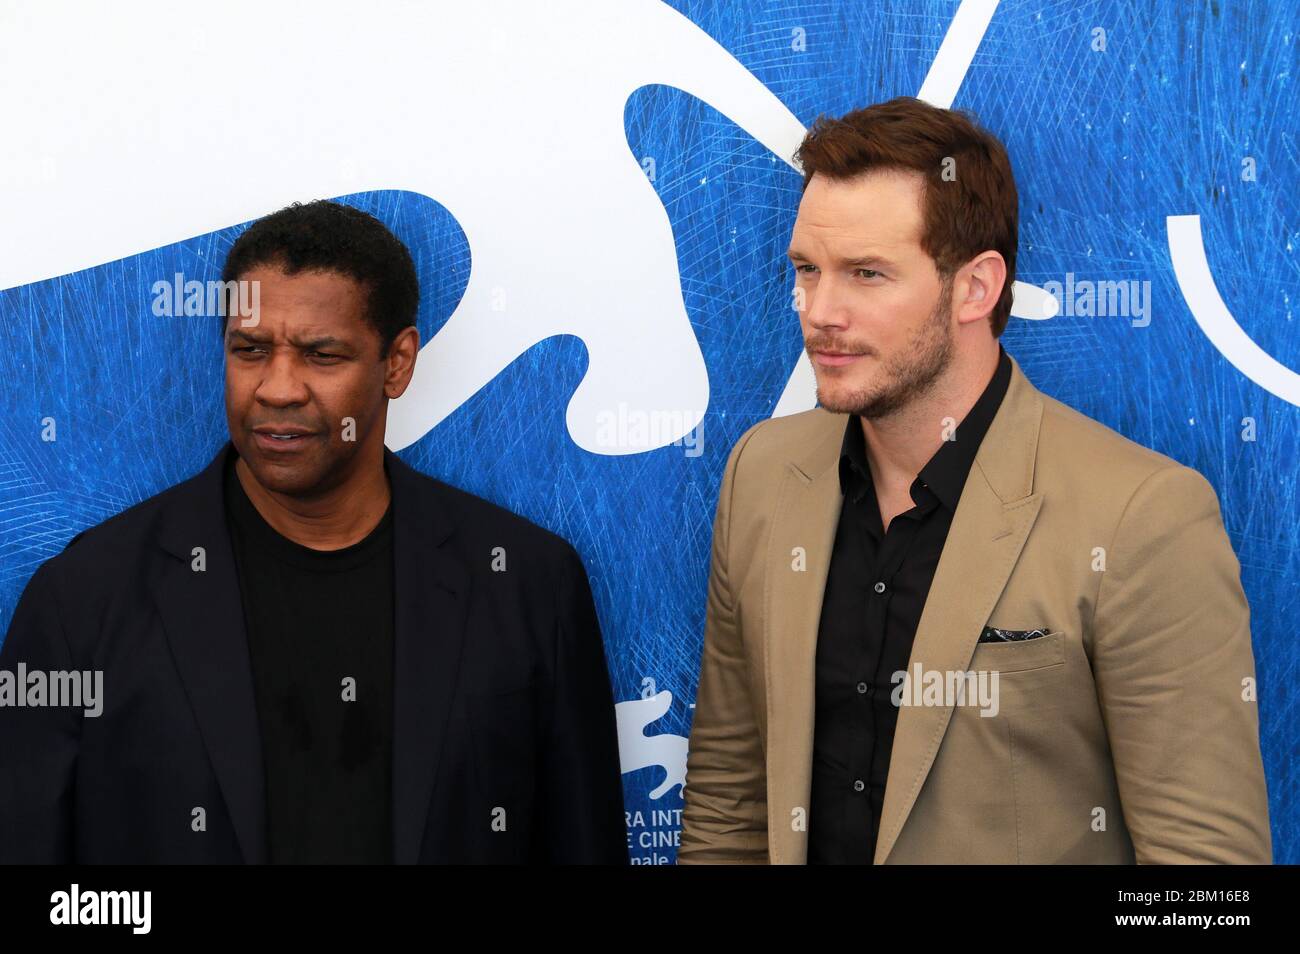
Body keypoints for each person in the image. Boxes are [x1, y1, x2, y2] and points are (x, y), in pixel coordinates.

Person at [678, 98, 1271, 864]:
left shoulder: (1141, 518)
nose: (819, 311)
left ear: (977, 288)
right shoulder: (761, 476)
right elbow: (729, 805)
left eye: (866, 274)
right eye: (806, 271)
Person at [0, 200, 628, 864]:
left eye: (321, 355)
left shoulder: (527, 585)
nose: (277, 389)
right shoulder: (86, 597)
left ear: (397, 363)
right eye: (250, 350)